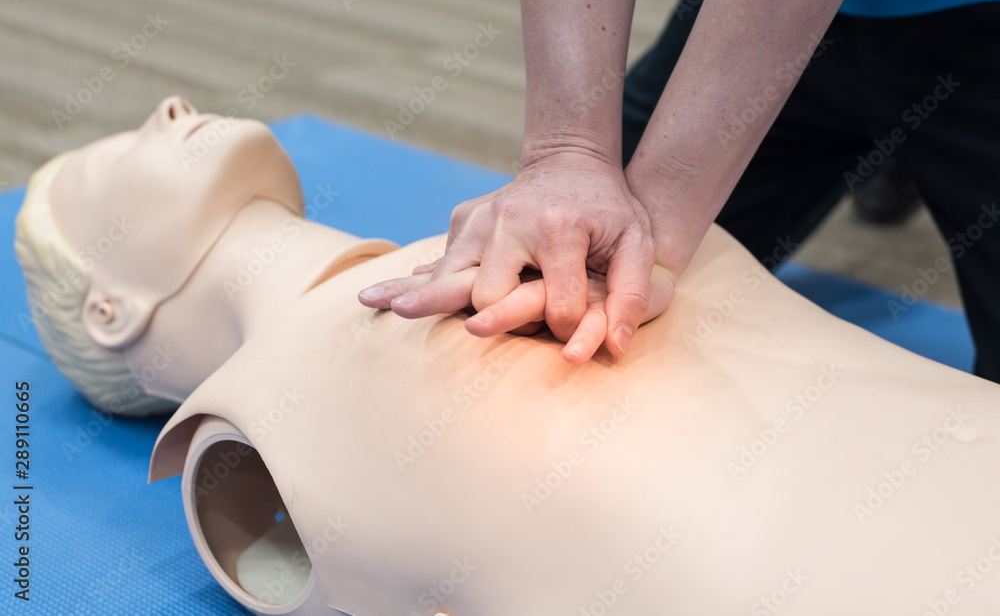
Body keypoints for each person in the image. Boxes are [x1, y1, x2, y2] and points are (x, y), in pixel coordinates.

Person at [16, 97, 1000, 614]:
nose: (173, 105)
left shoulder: (518, 230)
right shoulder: (252, 439)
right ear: (113, 307)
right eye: (120, 149)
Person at [360, 0, 1000, 383]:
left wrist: (655, 231)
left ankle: (897, 159)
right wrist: (568, 155)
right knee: (587, 307)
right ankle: (891, 164)